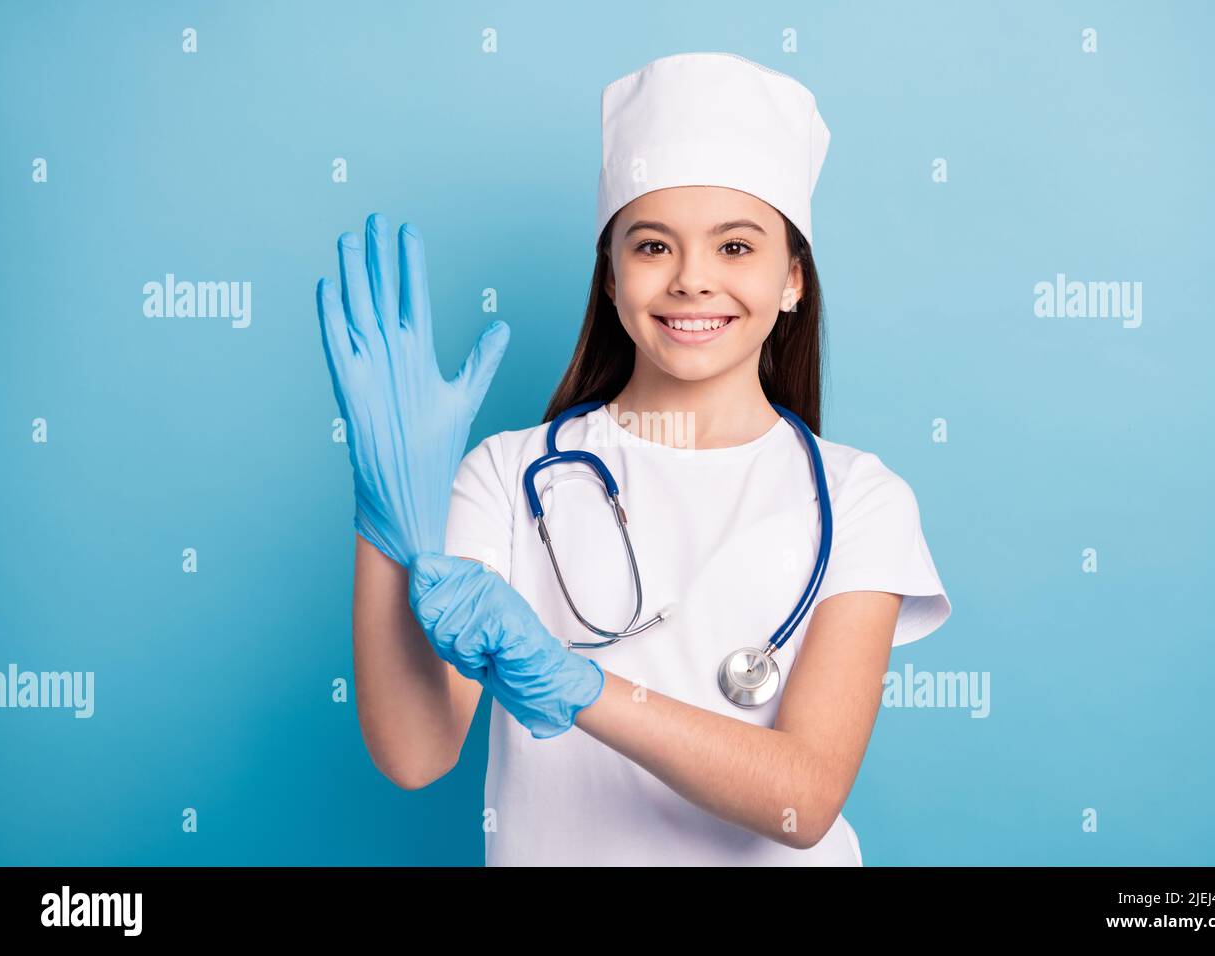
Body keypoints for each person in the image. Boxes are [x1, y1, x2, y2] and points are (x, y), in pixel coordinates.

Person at [318, 52, 951, 866]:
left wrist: (578, 687)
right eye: (653, 247)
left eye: (735, 248)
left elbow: (804, 801)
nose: (692, 281)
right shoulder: (507, 478)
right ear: (610, 278)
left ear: (793, 279)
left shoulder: (859, 499)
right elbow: (415, 754)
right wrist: (384, 519)